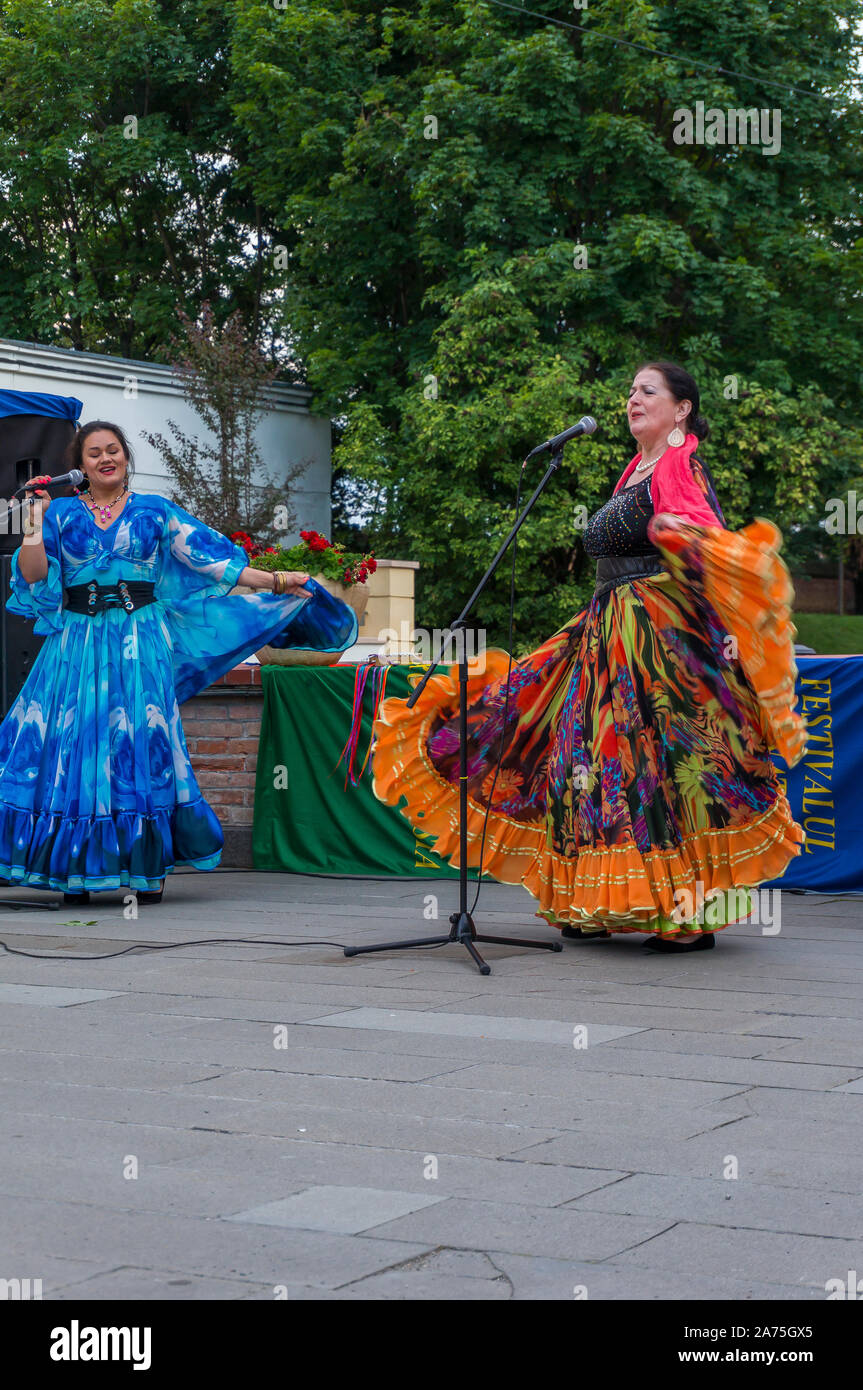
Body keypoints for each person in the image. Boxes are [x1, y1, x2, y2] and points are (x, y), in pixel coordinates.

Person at [372, 363, 807, 952]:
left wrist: (727, 625)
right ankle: (599, 900)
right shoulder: (637, 469)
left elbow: (713, 552)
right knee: (583, 756)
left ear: (681, 410)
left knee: (654, 767)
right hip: (609, 628)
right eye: (630, 390)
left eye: (647, 391)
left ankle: (683, 915)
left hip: (656, 639)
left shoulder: (682, 466)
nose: (633, 399)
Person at [0, 420, 357, 906]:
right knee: (76, 744)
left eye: (114, 450)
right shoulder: (60, 513)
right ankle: (79, 869)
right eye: (93, 453)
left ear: (126, 457)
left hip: (137, 642)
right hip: (76, 645)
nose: (106, 459)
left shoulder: (155, 511)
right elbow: (35, 577)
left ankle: (145, 869)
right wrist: (33, 526)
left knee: (142, 742)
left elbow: (214, 563)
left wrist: (275, 581)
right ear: (78, 467)